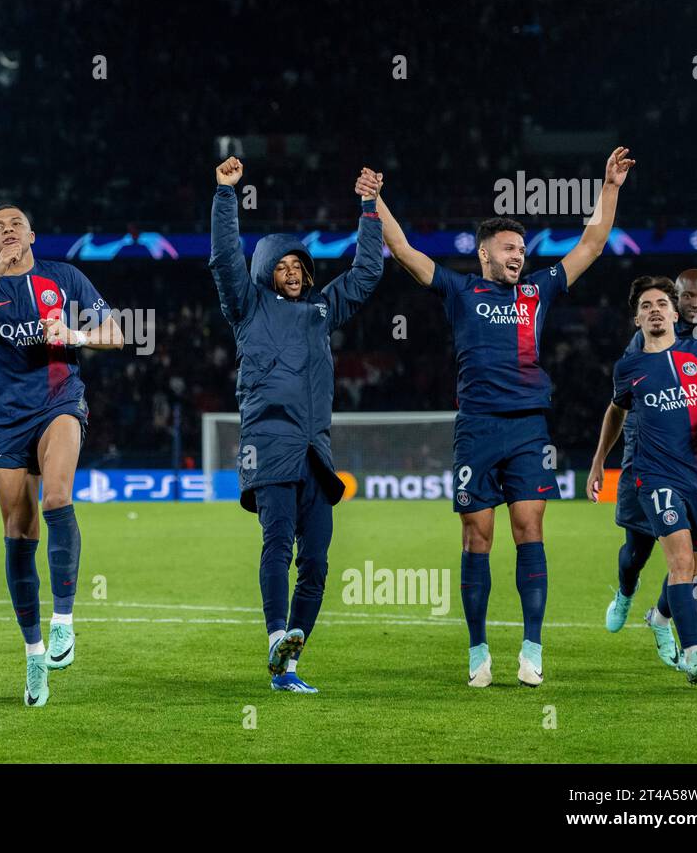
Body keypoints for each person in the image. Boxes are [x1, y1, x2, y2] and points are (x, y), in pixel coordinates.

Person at [375, 147, 635, 687]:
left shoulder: (539, 290)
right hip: (476, 427)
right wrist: (375, 199)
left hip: (528, 428)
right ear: (485, 254)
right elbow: (401, 249)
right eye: (509, 248)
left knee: (529, 528)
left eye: (521, 248)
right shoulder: (458, 290)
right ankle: (477, 653)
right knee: (478, 536)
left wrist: (609, 187)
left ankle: (532, 649)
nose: (519, 254)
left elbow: (591, 242)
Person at [209, 156, 384, 693]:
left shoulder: (322, 309)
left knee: (317, 563)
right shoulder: (247, 306)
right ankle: (274, 635)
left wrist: (369, 207)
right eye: (281, 266)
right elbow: (223, 260)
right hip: (268, 442)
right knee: (277, 545)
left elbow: (368, 272)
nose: (291, 272)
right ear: (266, 272)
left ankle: (289, 662)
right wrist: (225, 195)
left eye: (298, 266)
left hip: (316, 451)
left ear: (308, 273)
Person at [0, 203, 124, 707]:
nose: (7, 231)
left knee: (57, 497)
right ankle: (33, 654)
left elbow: (117, 332)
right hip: (6, 420)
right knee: (17, 532)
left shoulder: (64, 277)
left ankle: (63, 621)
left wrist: (75, 335)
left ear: (33, 234)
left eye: (15, 225)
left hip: (59, 401)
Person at [589, 269, 697, 666]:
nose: (693, 304)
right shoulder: (633, 359)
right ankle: (631, 597)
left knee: (695, 561)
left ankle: (666, 620)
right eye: (647, 306)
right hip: (650, 464)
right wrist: (598, 461)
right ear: (638, 317)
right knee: (638, 550)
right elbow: (617, 408)